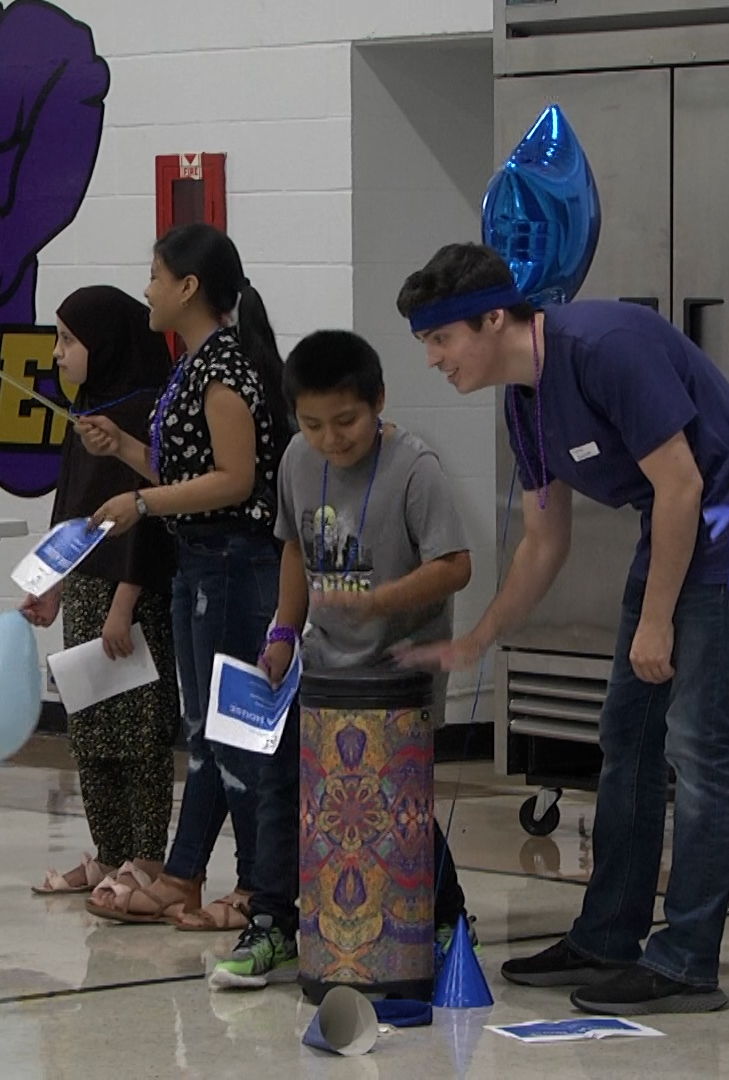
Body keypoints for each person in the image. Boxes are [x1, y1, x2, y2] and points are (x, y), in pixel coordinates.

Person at [395, 244, 729, 1015]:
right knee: (626, 736)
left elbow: (684, 482)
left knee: (700, 748)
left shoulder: (606, 347)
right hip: (669, 531)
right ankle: (607, 936)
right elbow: (544, 541)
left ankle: (689, 959)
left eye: (439, 341)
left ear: (494, 318)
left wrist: (657, 619)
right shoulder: (521, 400)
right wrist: (479, 639)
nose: (433, 361)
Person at [208, 328, 474, 989]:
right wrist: (283, 633)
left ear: (378, 401)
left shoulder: (416, 468)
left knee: (392, 802)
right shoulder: (298, 460)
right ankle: (272, 922)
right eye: (314, 423)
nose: (332, 439)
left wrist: (383, 600)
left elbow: (455, 565)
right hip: (319, 669)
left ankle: (445, 914)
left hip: (395, 672)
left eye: (347, 422)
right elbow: (294, 545)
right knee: (285, 789)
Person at [77, 224, 291, 931]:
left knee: (240, 733)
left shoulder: (225, 368)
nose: (147, 289)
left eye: (155, 275)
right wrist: (128, 450)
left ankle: (261, 888)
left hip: (236, 564)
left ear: (188, 287)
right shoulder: (191, 366)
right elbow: (187, 473)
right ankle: (185, 875)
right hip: (201, 564)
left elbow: (234, 480)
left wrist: (142, 503)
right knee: (204, 731)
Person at [20, 286, 180, 898]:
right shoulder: (87, 413)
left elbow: (149, 519)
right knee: (92, 732)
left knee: (139, 734)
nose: (57, 353)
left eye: (68, 340)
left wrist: (123, 603)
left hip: (128, 601)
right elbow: (71, 513)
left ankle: (147, 857)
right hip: (86, 595)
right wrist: (52, 586)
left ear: (105, 343)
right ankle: (109, 853)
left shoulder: (141, 416)